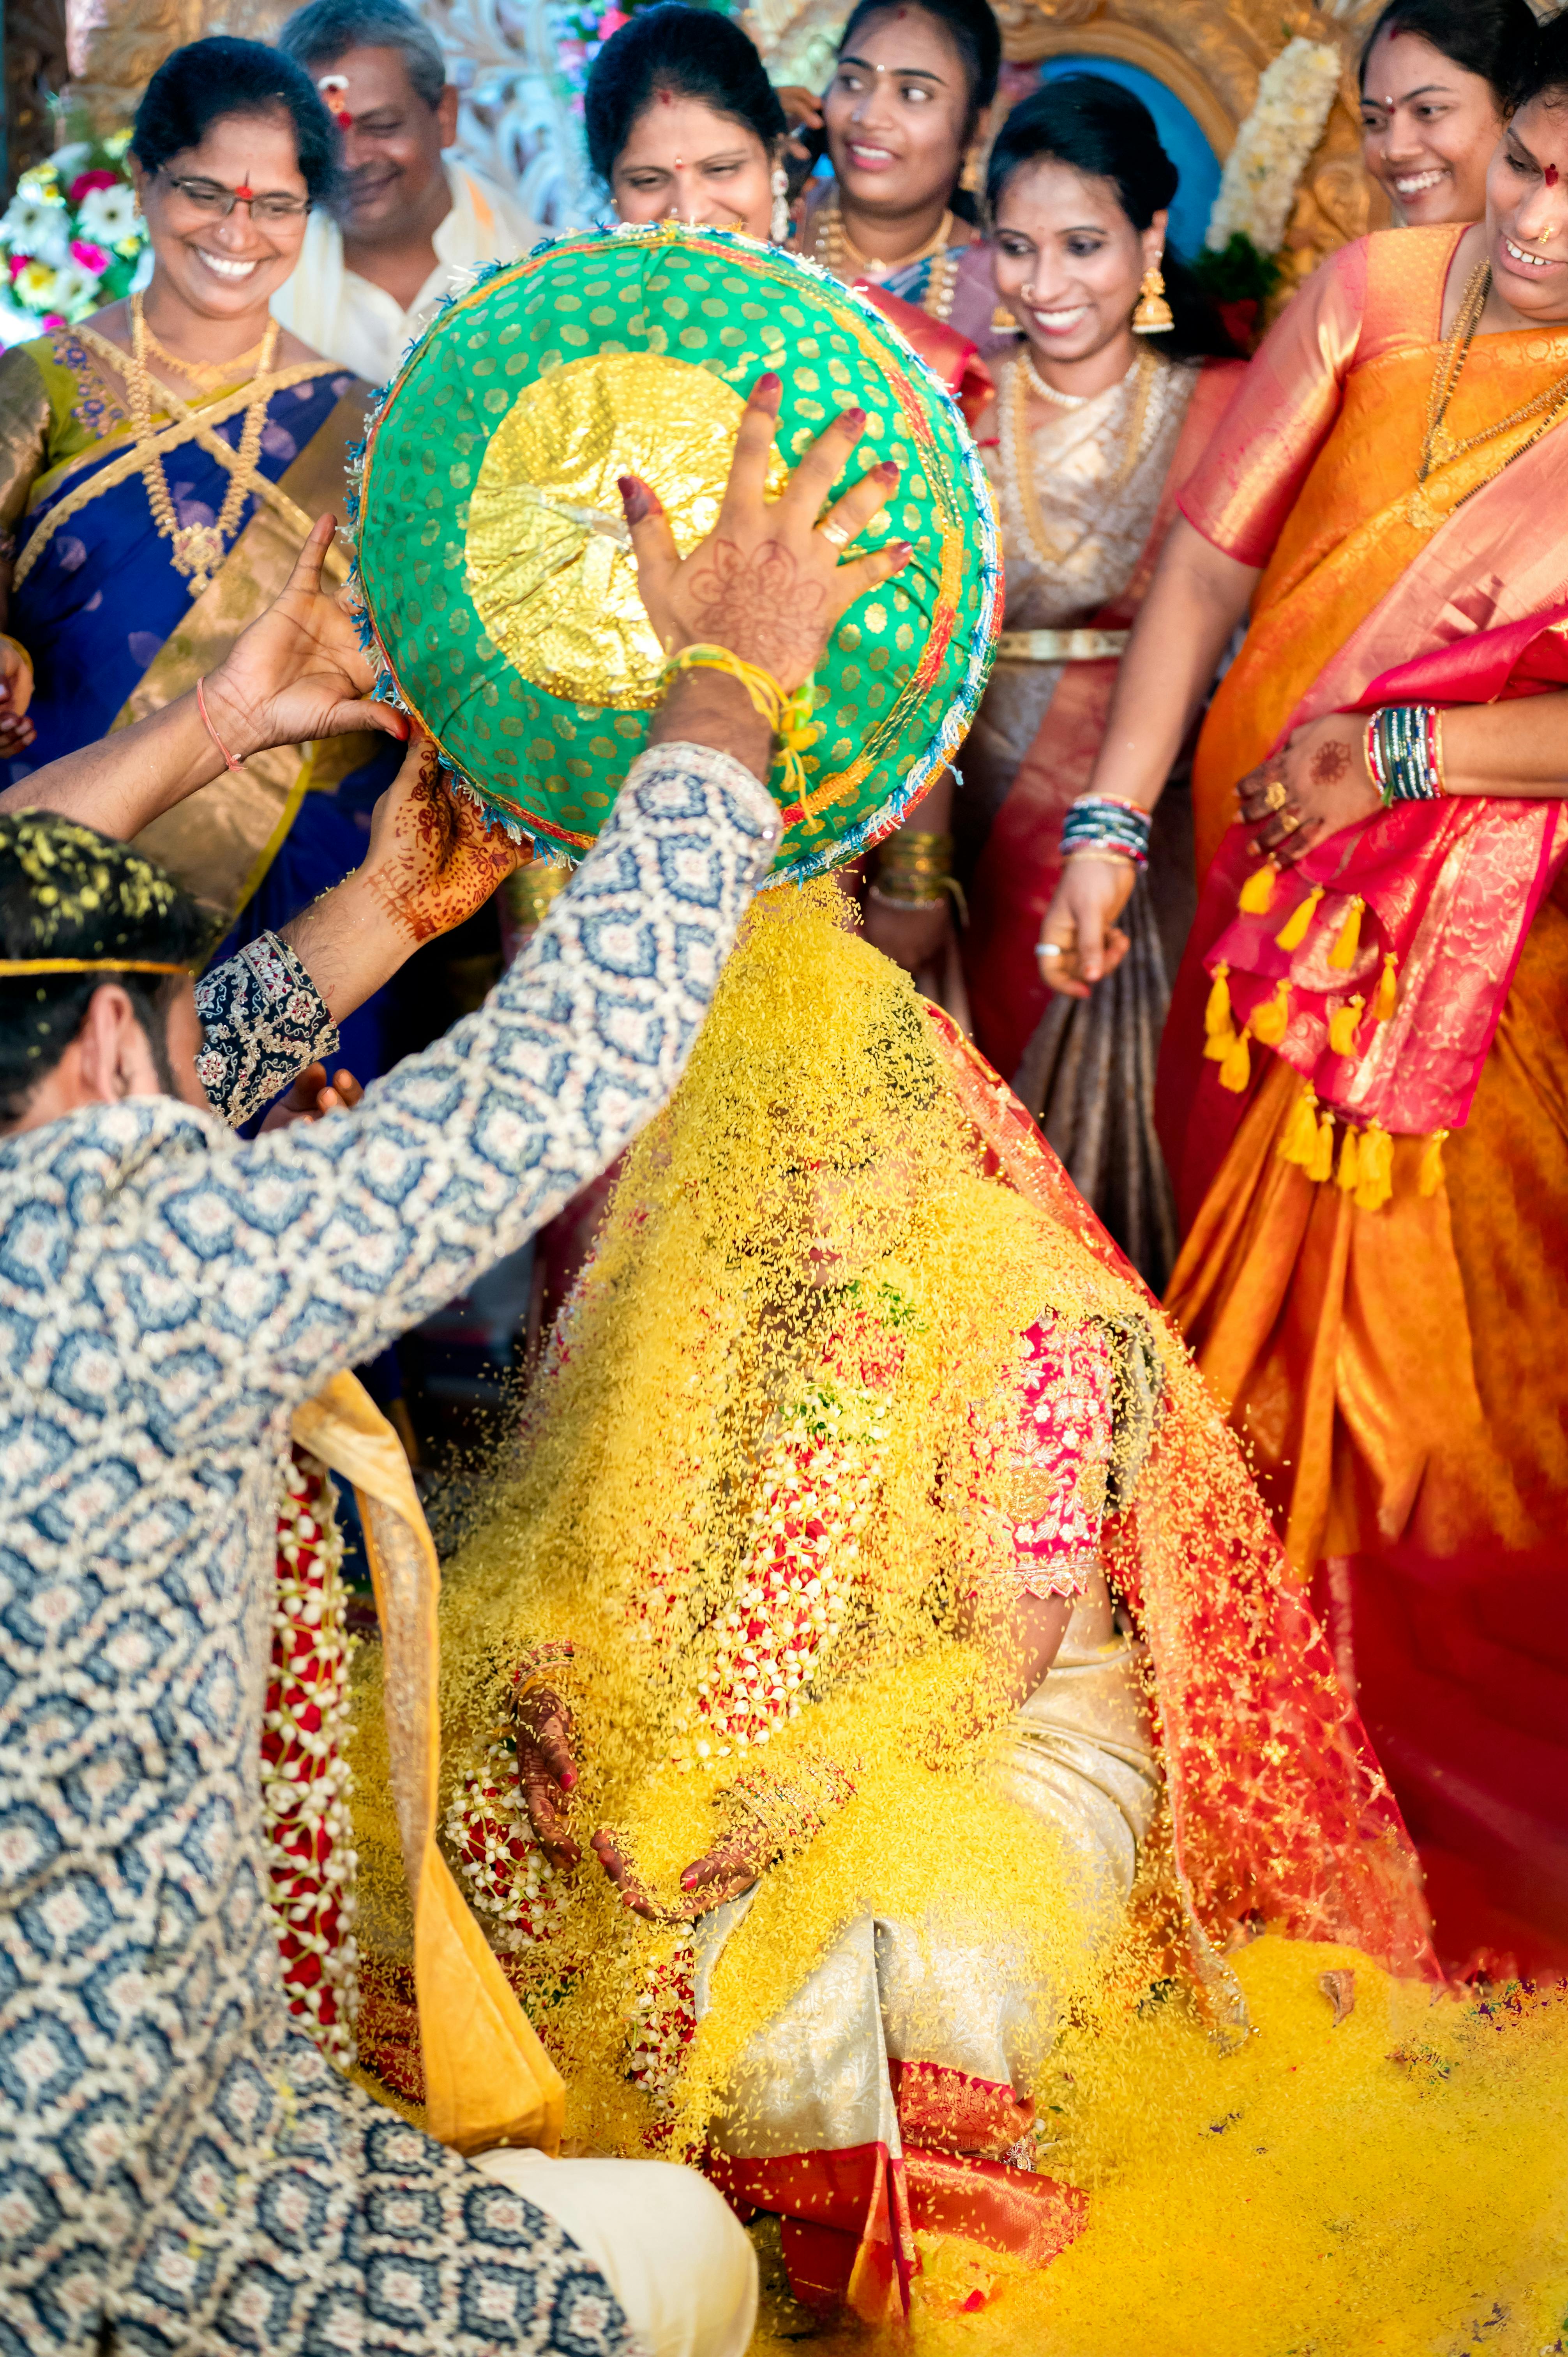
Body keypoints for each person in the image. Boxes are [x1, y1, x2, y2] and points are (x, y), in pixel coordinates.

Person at [0, 387, 910, 2356]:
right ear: (94, 1073)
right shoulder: (127, 1272)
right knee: (681, 2255)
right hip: (124, 2241)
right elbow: (554, 1078)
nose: (201, 1076)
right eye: (165, 1042)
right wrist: (727, 686)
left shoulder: (93, 1210)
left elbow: (134, 1043)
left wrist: (366, 902)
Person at [371, 873, 1568, 2346]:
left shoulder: (1023, 1328)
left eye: (853, 1164)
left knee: (891, 1957)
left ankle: (868, 2259)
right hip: (746, 1707)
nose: (813, 1206)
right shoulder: (705, 1284)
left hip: (996, 1740)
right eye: (779, 1162)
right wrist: (563, 1694)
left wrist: (794, 1789)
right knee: (479, 1823)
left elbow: (991, 1664)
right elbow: (582, 1544)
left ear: (928, 1139)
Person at [1036, 17, 1568, 1972]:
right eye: (1521, 161)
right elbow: (1197, 569)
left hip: (1497, 965)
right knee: (1240, 1343)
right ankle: (1242, 1762)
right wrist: (1108, 819)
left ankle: (1411, 1789)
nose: (1526, 217)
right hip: (1266, 916)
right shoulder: (1365, 291)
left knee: (1453, 1381)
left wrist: (1413, 770)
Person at [862, 80, 1241, 1289]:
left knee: (1122, 1179)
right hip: (960, 825)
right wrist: (912, 870)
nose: (1048, 283)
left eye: (1085, 246)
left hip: (1144, 838)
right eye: (1016, 249)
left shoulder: (1222, 407)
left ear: (1150, 239)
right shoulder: (955, 402)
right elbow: (894, 644)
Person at [0, 35, 409, 981]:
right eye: (204, 192)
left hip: (288, 895)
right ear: (144, 178)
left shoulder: (370, 427)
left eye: (275, 204)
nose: (238, 232)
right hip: (50, 876)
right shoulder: (38, 389)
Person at [590, 3, 989, 419]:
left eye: (723, 168)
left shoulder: (897, 348)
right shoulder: (573, 339)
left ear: (773, 159)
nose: (689, 214)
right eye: (647, 181)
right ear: (609, 185)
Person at [272, 0, 540, 390]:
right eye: (322, 138)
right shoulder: (257, 292)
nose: (347, 161)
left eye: (381, 126)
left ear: (445, 115)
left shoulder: (544, 274)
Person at [782, 0, 1002, 350]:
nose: (869, 116)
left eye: (913, 93)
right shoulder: (763, 228)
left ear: (977, 125)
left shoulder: (1001, 294)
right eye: (852, 82)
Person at [1360, 0, 1537, 228]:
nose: (1395, 151)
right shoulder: (1367, 262)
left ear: (1516, 107)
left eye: (1428, 110)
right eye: (1374, 120)